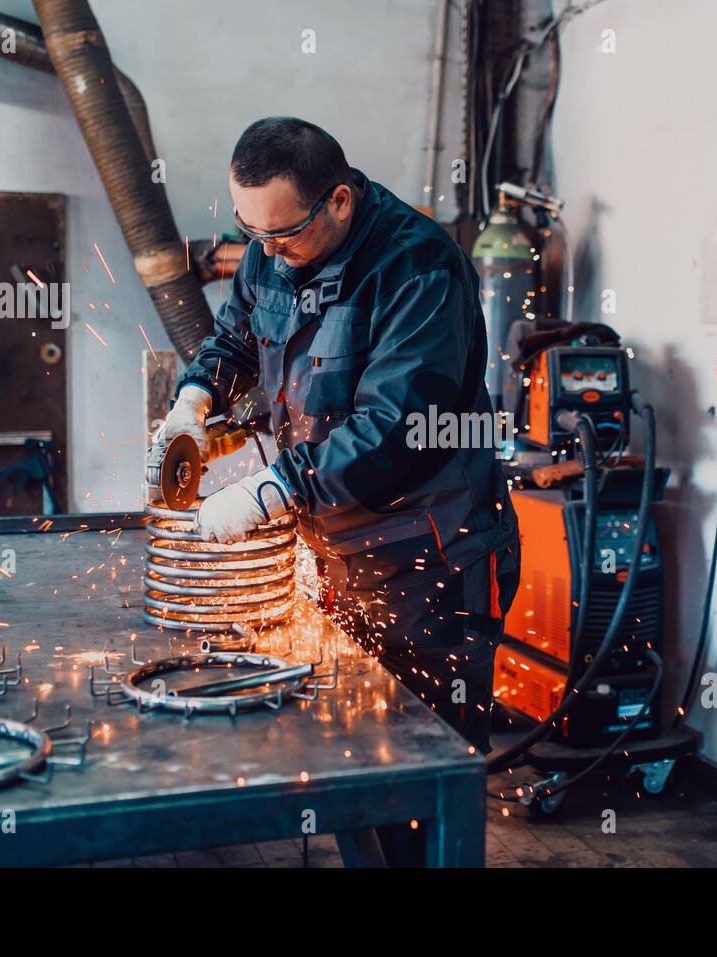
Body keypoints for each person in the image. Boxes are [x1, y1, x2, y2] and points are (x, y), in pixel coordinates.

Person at [156, 116, 519, 754]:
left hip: (427, 559)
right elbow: (237, 337)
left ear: (340, 201)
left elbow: (395, 428)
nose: (264, 250)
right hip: (336, 549)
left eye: (280, 233)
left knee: (426, 764)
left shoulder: (419, 269)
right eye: (250, 231)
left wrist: (272, 491)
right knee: (356, 752)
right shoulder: (273, 249)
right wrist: (195, 399)